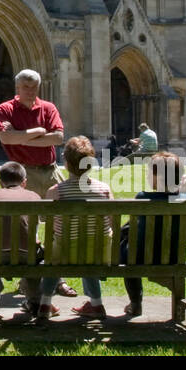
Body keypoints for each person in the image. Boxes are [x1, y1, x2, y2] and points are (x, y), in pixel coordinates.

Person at [0, 69, 77, 298]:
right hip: (23, 175)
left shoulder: (48, 108)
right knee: (25, 228)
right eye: (25, 87)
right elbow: (6, 138)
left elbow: (59, 139)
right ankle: (26, 280)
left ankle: (57, 278)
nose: (30, 91)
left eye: (33, 87)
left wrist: (23, 136)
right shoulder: (6, 108)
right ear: (17, 88)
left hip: (49, 171)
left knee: (57, 227)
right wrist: (39, 132)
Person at [121, 151, 186, 318]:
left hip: (139, 258)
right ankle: (179, 307)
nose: (148, 176)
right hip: (173, 257)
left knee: (128, 248)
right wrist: (182, 191)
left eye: (150, 173)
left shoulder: (142, 198)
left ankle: (135, 302)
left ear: (157, 178)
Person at [0, 161, 58, 320]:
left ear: (1, 182)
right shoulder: (34, 197)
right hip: (25, 254)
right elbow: (34, 227)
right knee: (36, 259)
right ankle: (34, 300)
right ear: (25, 182)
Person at [47, 135, 114, 318]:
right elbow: (110, 220)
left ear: (66, 163)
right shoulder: (104, 189)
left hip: (64, 252)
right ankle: (96, 304)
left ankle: (45, 303)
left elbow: (49, 223)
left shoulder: (56, 191)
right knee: (89, 244)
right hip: (99, 252)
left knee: (54, 253)